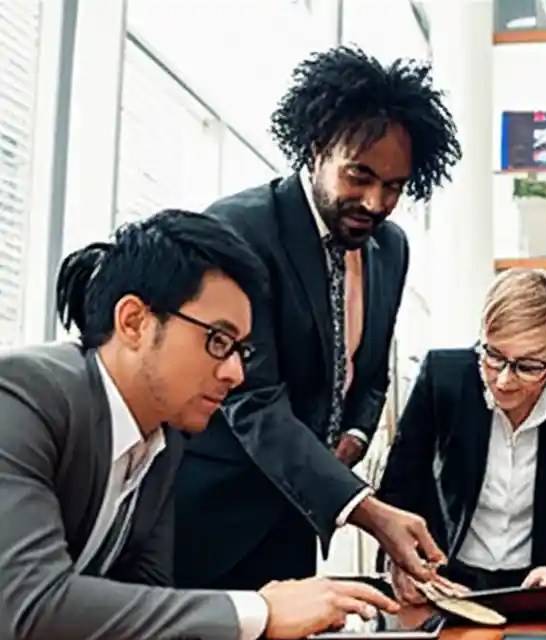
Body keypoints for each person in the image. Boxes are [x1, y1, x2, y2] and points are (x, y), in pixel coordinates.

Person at [0, 210, 399, 640]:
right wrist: (260, 612)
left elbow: (148, 597)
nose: (235, 373)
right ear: (134, 322)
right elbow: (28, 610)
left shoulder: (163, 439)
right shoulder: (21, 395)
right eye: (217, 341)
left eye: (240, 350)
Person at [172, 46, 463, 592]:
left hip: (295, 522)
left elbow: (370, 370)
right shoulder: (241, 230)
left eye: (395, 186)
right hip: (212, 522)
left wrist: (353, 432)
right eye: (360, 175)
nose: (375, 202)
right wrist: (368, 510)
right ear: (316, 147)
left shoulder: (390, 248)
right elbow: (252, 399)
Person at [376, 269, 546, 598]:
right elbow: (399, 491)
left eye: (528, 366)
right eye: (493, 356)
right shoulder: (443, 377)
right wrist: (404, 562)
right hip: (445, 580)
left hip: (536, 588)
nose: (503, 380)